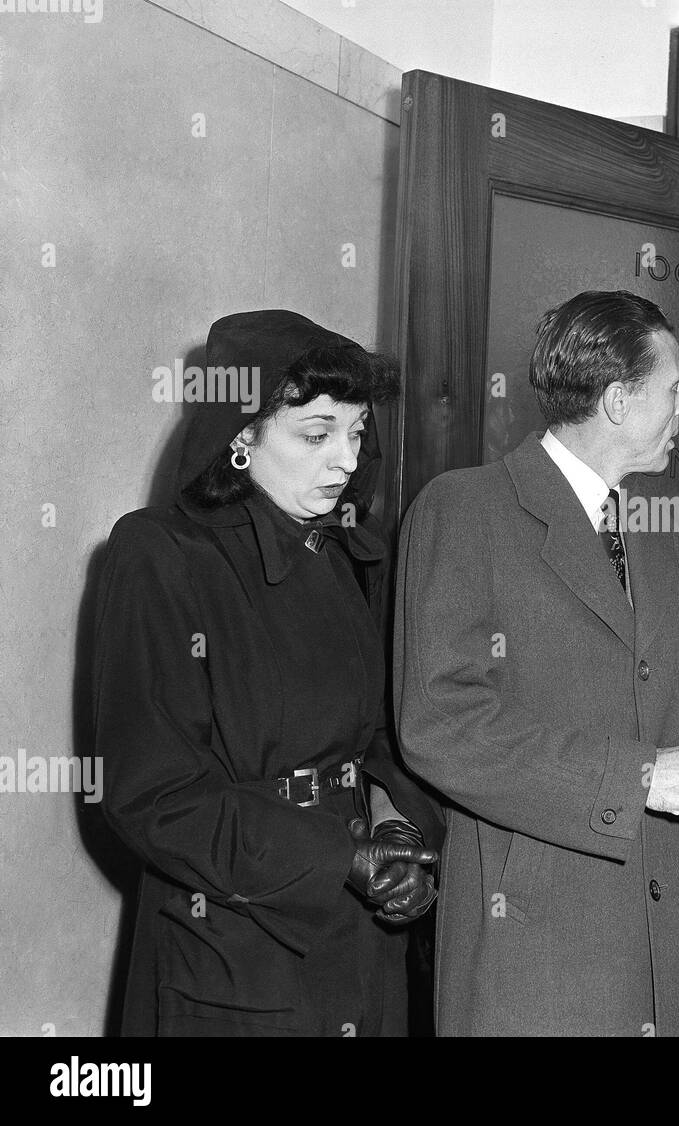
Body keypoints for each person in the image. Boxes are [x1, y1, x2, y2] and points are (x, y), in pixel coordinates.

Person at [393, 290, 679, 1036]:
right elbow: (441, 724)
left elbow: (649, 701)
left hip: (670, 948)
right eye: (675, 388)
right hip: (539, 945)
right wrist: (641, 777)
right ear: (619, 400)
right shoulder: (465, 509)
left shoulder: (652, 523)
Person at [95, 310, 441, 1036]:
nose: (345, 461)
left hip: (363, 951)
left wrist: (396, 827)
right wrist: (340, 857)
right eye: (316, 436)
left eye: (355, 433)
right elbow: (155, 797)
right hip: (232, 955)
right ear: (241, 439)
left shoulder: (349, 556)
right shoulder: (160, 555)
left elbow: (377, 740)